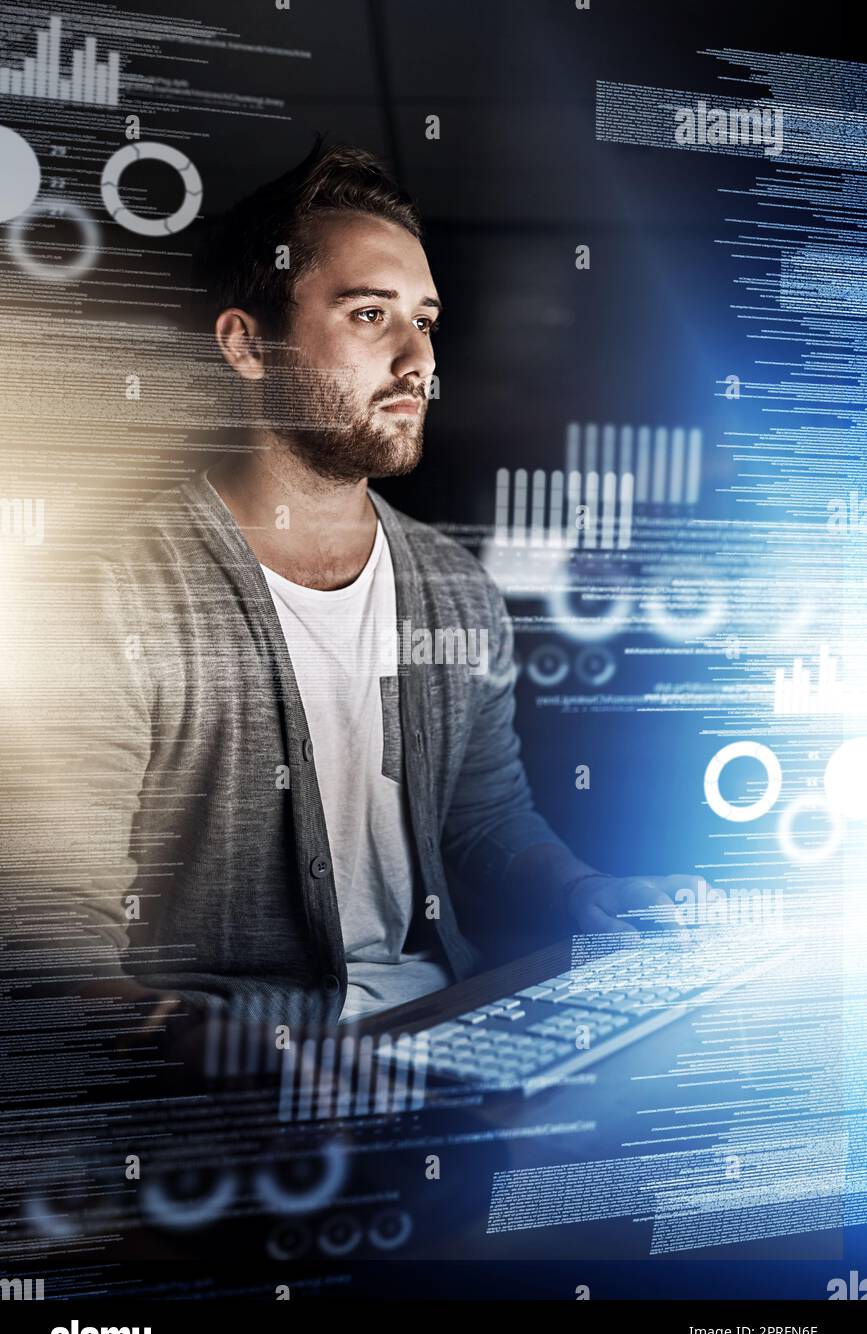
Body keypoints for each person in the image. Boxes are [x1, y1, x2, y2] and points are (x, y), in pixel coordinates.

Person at [5, 141, 699, 1072]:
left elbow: (483, 821)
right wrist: (208, 1048)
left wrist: (582, 891)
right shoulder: (110, 595)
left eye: (426, 319)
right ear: (249, 345)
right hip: (249, 1079)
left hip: (454, 1025)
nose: (417, 359)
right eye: (369, 315)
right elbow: (50, 938)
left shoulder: (453, 585)